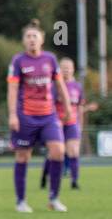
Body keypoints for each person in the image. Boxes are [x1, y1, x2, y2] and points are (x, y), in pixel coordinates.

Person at [9, 21, 72, 212]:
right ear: (23, 41)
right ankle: (21, 201)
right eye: (28, 37)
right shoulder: (18, 61)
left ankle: (54, 198)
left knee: (59, 151)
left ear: (42, 39)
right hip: (26, 115)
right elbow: (12, 89)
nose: (31, 40)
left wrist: (68, 107)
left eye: (34, 36)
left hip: (49, 115)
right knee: (23, 156)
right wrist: (13, 115)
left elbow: (60, 86)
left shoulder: (51, 60)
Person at [41, 57, 98, 192]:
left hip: (72, 123)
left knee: (73, 151)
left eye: (68, 68)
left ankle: (74, 181)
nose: (66, 70)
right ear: (59, 69)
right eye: (63, 68)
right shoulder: (55, 86)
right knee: (54, 153)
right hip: (57, 123)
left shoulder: (77, 86)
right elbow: (50, 105)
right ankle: (44, 176)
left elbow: (79, 108)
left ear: (73, 69)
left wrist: (80, 125)